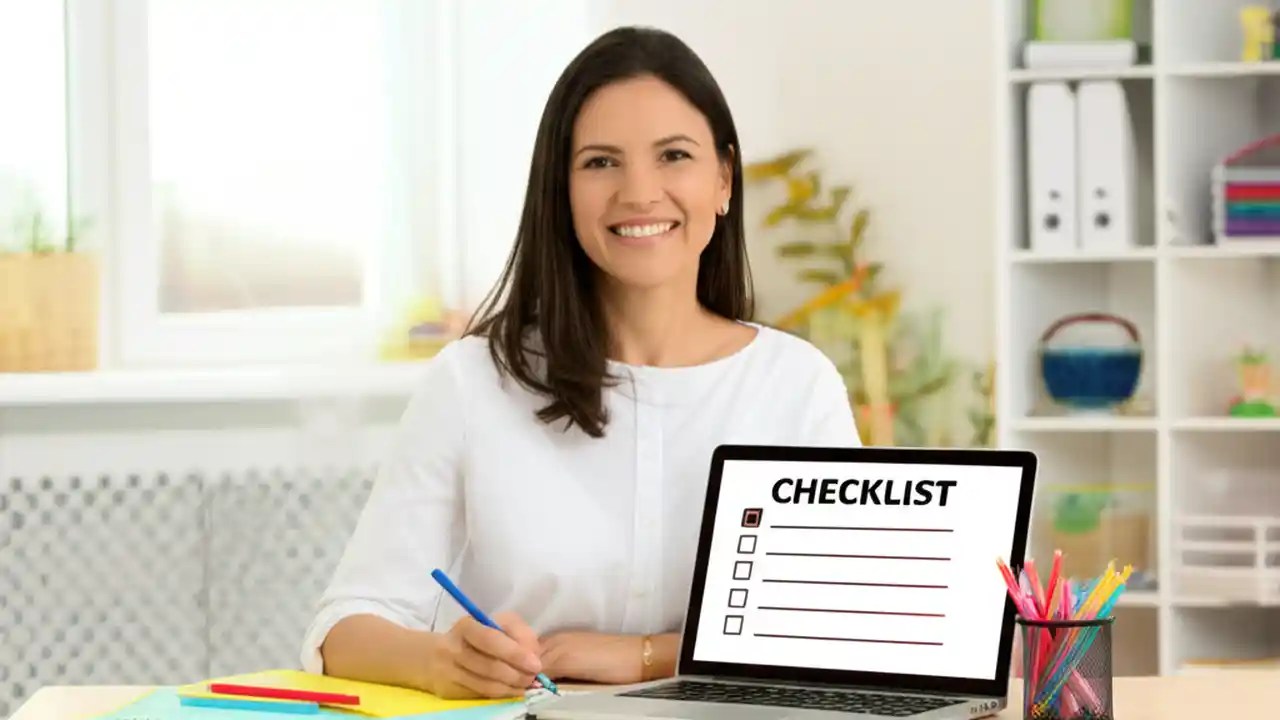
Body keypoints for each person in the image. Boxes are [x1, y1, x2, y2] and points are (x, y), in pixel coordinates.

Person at [301, 25, 860, 700]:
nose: (639, 192)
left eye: (673, 155)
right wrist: (441, 661)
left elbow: (836, 632)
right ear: (560, 191)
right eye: (601, 162)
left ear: (722, 180)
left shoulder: (795, 385)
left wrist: (649, 656)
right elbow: (345, 629)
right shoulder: (473, 381)